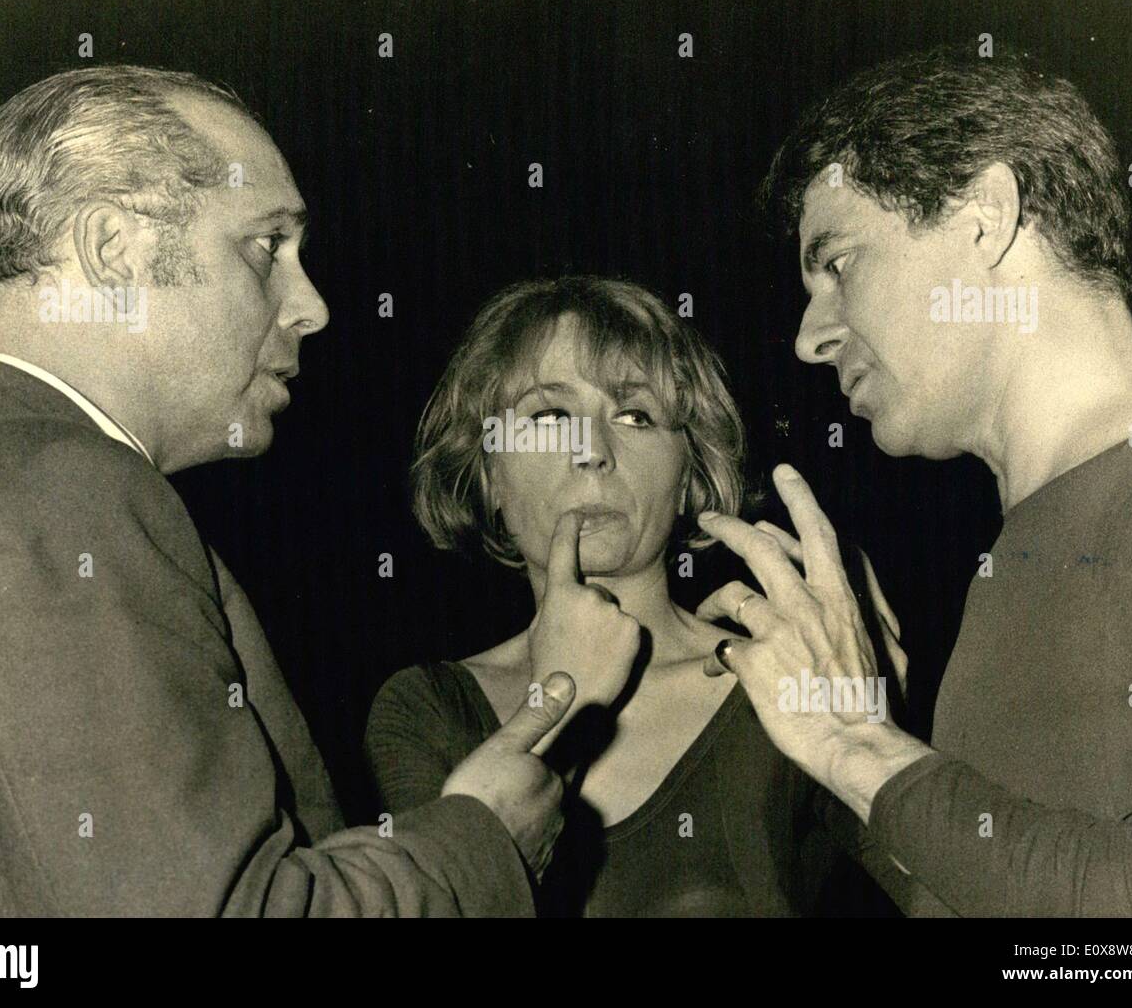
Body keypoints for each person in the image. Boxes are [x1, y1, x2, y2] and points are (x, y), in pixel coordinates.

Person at [0, 65, 583, 917]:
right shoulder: (70, 496)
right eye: (268, 247)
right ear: (113, 251)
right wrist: (481, 840)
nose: (313, 306)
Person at [700, 46, 1132, 916]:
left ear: (984, 216)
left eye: (838, 263)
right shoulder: (1036, 535)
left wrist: (859, 743)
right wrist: (859, 762)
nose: (809, 336)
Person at [365, 276, 884, 916]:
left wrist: (884, 729)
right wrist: (568, 702)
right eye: (550, 418)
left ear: (693, 475)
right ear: (488, 474)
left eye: (634, 415)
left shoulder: (785, 680)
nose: (592, 452)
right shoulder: (427, 710)